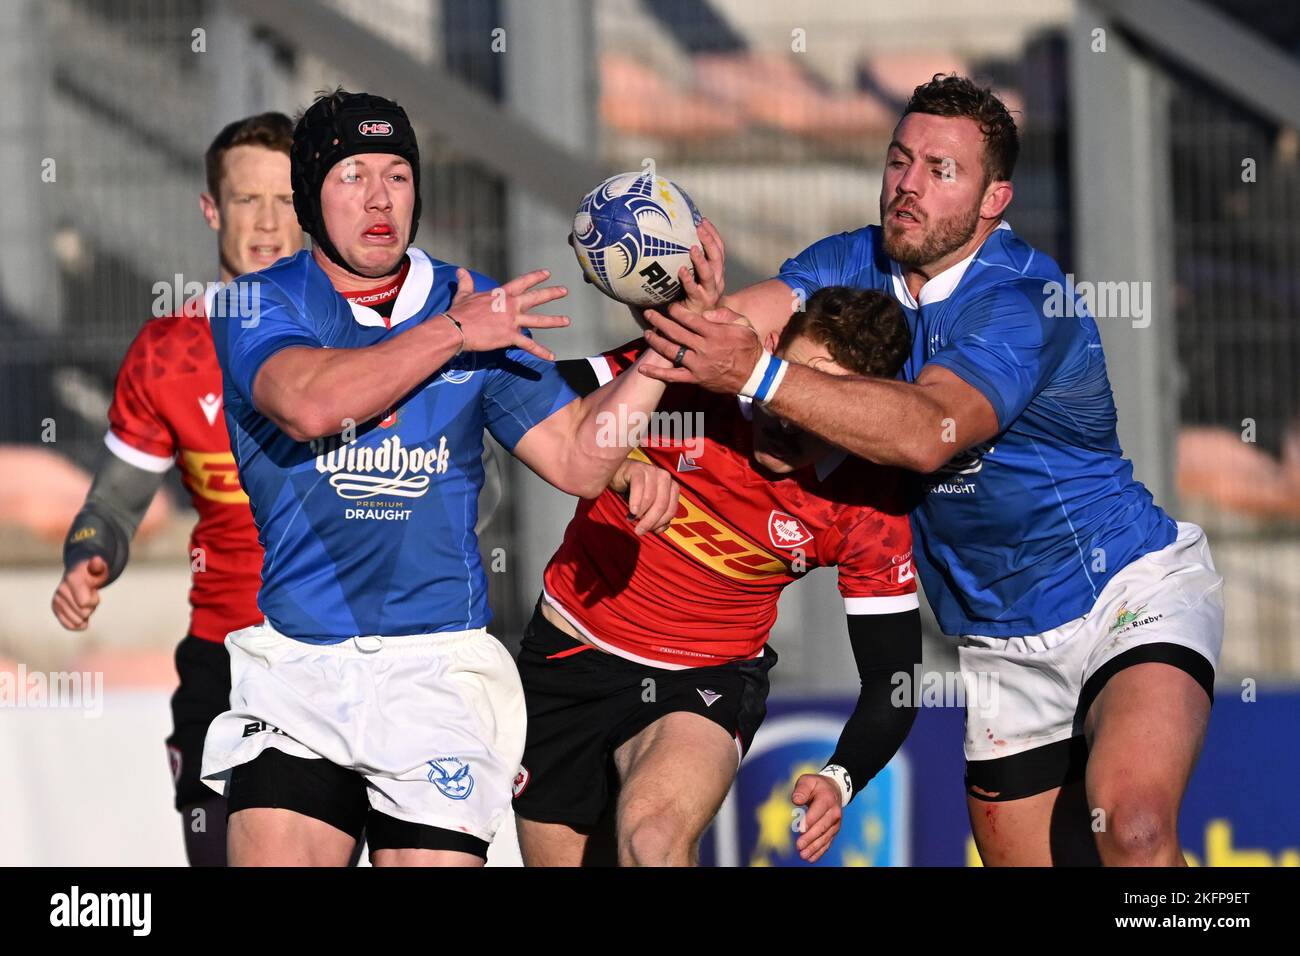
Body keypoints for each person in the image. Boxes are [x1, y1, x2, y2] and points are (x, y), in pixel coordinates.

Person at [640, 74, 1224, 866]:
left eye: (940, 170)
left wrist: (756, 373)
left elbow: (928, 435)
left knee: (1134, 829)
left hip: (1123, 592)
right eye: (898, 160)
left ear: (995, 200)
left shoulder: (1023, 300)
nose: (908, 186)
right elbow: (735, 329)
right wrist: (689, 317)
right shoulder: (848, 260)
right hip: (995, 640)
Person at [199, 90, 679, 867]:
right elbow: (307, 404)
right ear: (311, 197)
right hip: (299, 671)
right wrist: (454, 335)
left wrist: (661, 357)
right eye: (352, 175)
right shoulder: (261, 301)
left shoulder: (473, 302)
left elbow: (580, 460)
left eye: (397, 174)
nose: (380, 197)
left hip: (438, 674)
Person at [514, 286, 921, 866]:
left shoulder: (868, 505)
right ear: (772, 349)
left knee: (653, 841)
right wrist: (617, 465)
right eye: (791, 379)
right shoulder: (687, 380)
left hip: (704, 681)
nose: (788, 418)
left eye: (822, 400)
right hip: (566, 657)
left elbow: (894, 679)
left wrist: (841, 777)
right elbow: (530, 397)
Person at [51, 112, 302, 866]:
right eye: (247, 200)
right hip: (222, 659)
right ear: (210, 209)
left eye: (288, 201)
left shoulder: (362, 341)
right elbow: (116, 502)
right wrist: (91, 556)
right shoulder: (168, 351)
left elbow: (460, 486)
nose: (267, 224)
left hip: (339, 659)